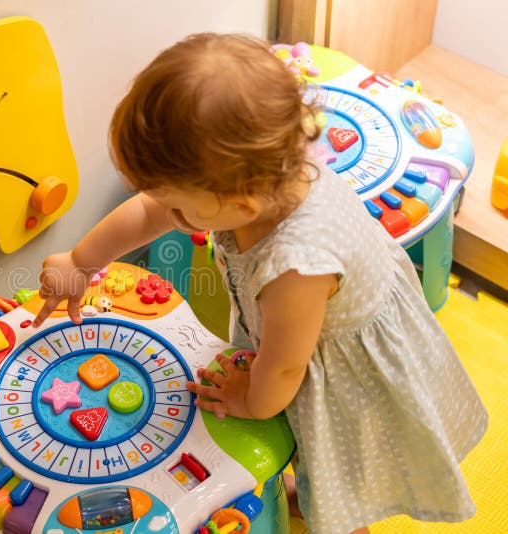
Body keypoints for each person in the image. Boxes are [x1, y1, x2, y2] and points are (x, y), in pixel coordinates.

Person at [32, 33, 488, 534]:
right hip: (301, 338)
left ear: (241, 205)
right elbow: (148, 210)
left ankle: (339, 519)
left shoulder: (295, 267)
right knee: (299, 446)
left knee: (342, 485)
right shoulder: (263, 172)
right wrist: (80, 259)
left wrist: (249, 400)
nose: (169, 212)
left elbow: (286, 368)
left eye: (179, 206)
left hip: (343, 375)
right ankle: (307, 489)